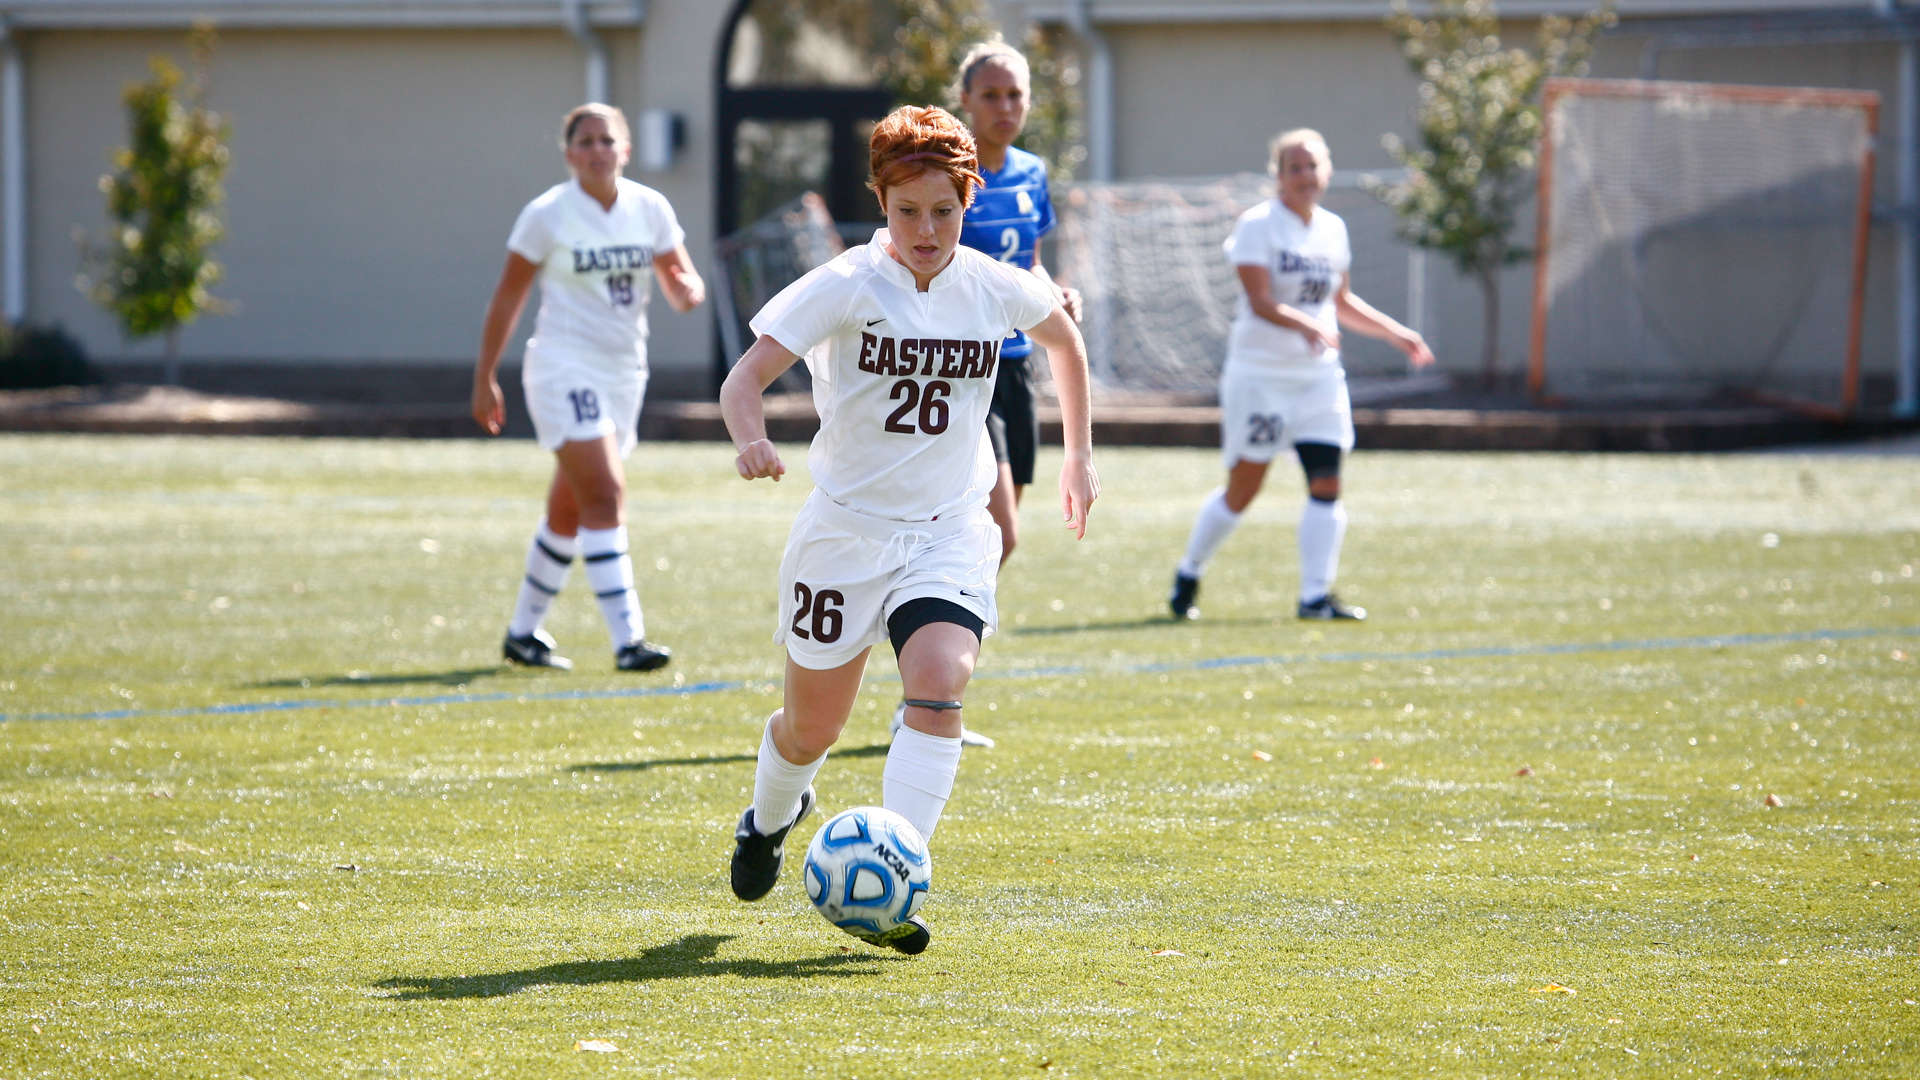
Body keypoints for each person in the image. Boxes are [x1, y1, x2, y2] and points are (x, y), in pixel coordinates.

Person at [720, 105, 1096, 954]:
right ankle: (768, 819)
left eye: (944, 210)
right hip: (845, 536)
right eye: (906, 211)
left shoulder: (992, 284)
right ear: (880, 204)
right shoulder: (847, 284)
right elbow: (744, 381)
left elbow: (1064, 344)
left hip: (948, 531)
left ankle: (895, 872)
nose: (926, 230)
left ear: (971, 198)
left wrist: (1079, 458)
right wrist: (751, 440)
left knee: (939, 681)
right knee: (809, 728)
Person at [472, 103, 705, 672]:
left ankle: (522, 635)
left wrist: (687, 290)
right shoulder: (547, 214)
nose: (598, 150)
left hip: (624, 371)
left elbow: (679, 280)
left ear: (625, 149)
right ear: (569, 152)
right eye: (586, 140)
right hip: (562, 367)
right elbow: (508, 298)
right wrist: (484, 378)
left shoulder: (649, 207)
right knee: (605, 493)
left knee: (570, 510)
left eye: (608, 140)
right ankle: (629, 642)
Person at [1168, 129, 1432, 622]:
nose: (1306, 176)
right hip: (1261, 374)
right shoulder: (1257, 225)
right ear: (1279, 175)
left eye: (1313, 166)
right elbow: (1261, 301)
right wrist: (1308, 323)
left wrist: (1398, 334)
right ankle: (1189, 571)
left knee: (1328, 480)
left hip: (1318, 378)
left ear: (1327, 171)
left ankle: (1315, 597)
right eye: (1295, 167)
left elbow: (1341, 302)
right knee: (1244, 489)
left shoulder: (1333, 228)